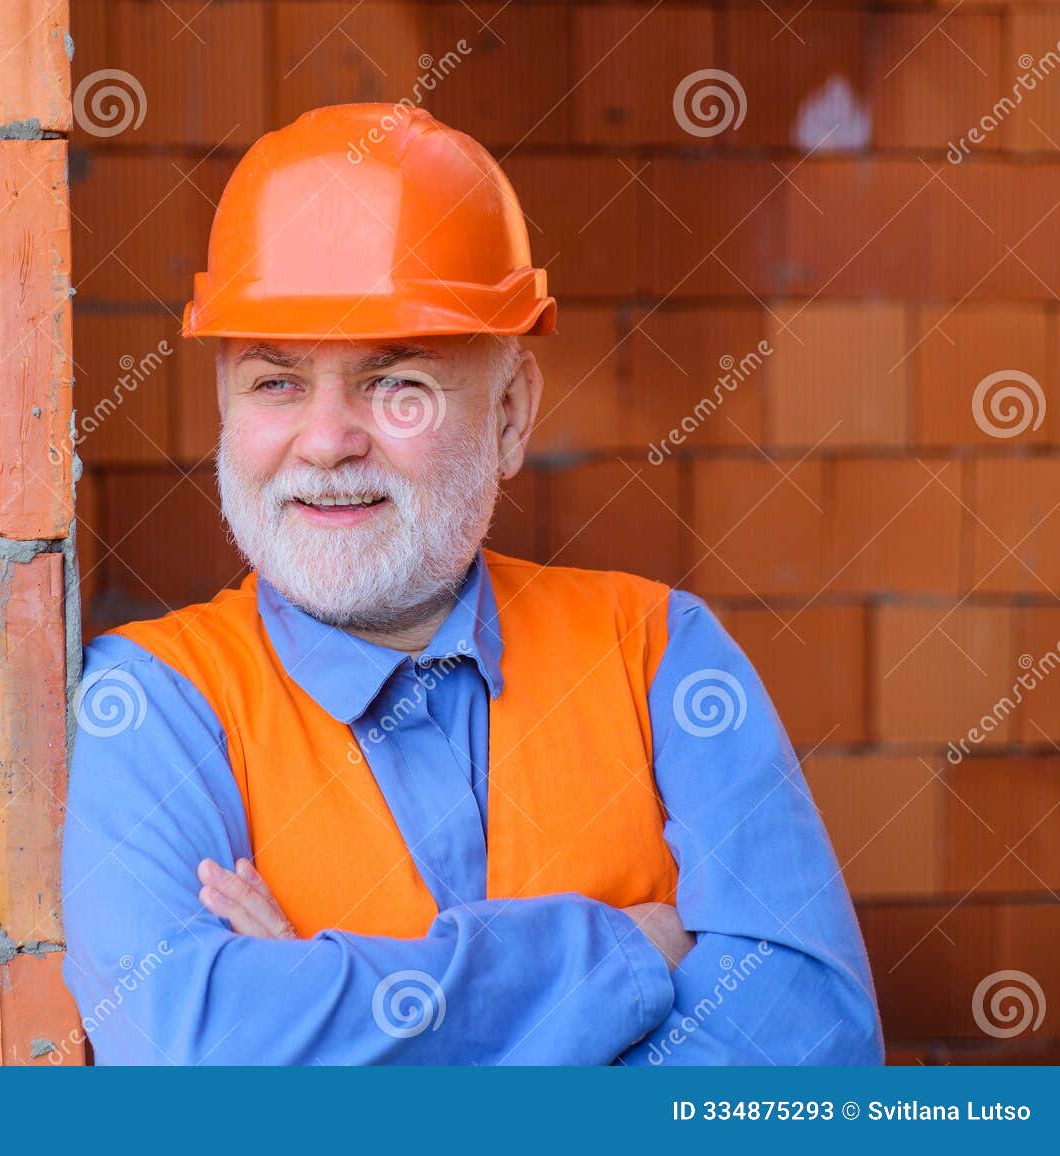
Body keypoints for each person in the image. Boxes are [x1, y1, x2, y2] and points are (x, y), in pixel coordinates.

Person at [60, 102, 883, 1065]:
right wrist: (619, 959)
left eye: (395, 382)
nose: (325, 442)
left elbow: (810, 1049)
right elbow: (196, 1058)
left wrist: (329, 1029)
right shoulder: (151, 703)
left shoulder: (657, 651)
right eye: (275, 382)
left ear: (510, 415)